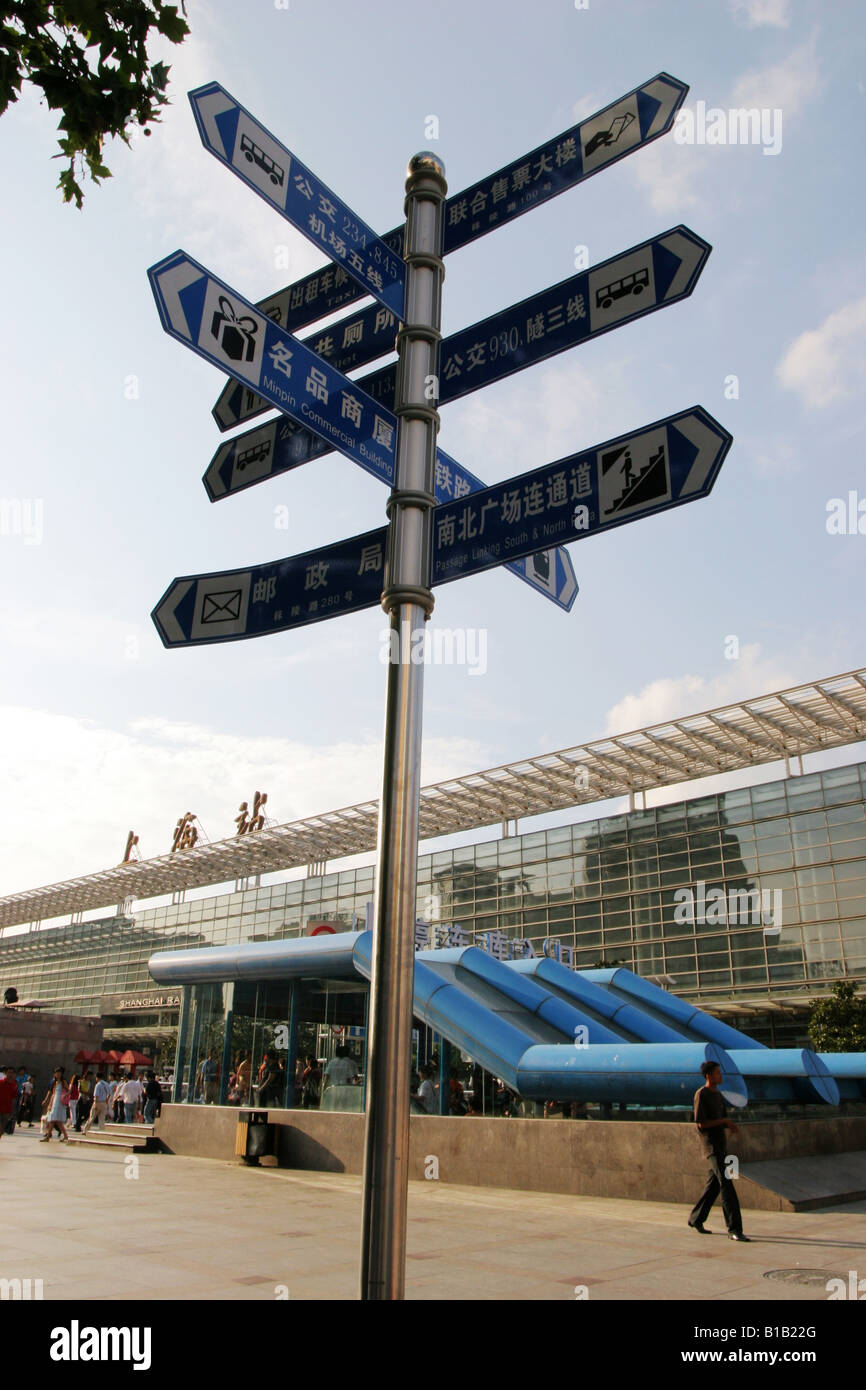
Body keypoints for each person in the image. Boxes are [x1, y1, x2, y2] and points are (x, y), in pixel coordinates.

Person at [687, 1061, 748, 1241]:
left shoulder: (718, 1095)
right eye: (717, 1073)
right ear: (708, 1076)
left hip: (722, 1146)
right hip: (711, 1147)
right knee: (727, 1185)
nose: (720, 1076)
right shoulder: (702, 1094)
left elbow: (722, 1118)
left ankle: (696, 1219)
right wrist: (724, 1123)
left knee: (713, 1185)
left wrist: (728, 1125)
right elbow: (701, 1123)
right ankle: (734, 1229)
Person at [40, 1067, 70, 1143]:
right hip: (55, 1103)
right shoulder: (54, 1082)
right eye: (56, 1073)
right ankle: (65, 1136)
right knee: (55, 1120)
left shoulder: (63, 1082)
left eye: (59, 1073)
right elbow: (53, 1094)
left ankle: (48, 1137)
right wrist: (50, 1104)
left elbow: (69, 1091)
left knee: (54, 1120)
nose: (58, 1074)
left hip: (60, 1103)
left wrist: (65, 1095)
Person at [0, 1065, 18, 1138]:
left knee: (1, 1131)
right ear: (5, 1073)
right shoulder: (0, 1083)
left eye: (12, 1073)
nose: (10, 1074)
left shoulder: (14, 1085)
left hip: (7, 1110)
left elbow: (13, 1098)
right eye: (9, 1072)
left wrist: (12, 1111)